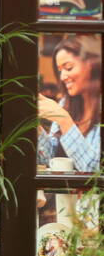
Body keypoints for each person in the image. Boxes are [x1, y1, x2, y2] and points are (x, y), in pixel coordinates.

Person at [38, 35, 101, 173]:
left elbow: (95, 172)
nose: (62, 77)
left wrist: (65, 120)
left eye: (69, 67)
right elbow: (50, 160)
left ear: (92, 64)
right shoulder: (65, 104)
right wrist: (35, 128)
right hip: (61, 194)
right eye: (60, 70)